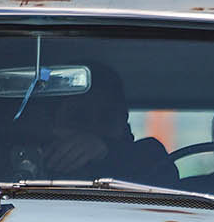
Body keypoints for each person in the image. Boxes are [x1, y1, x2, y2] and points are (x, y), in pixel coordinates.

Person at [24, 63, 175, 184]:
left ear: (124, 125)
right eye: (78, 117)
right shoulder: (27, 159)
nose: (92, 128)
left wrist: (107, 153)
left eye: (107, 118)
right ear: (53, 123)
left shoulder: (149, 159)